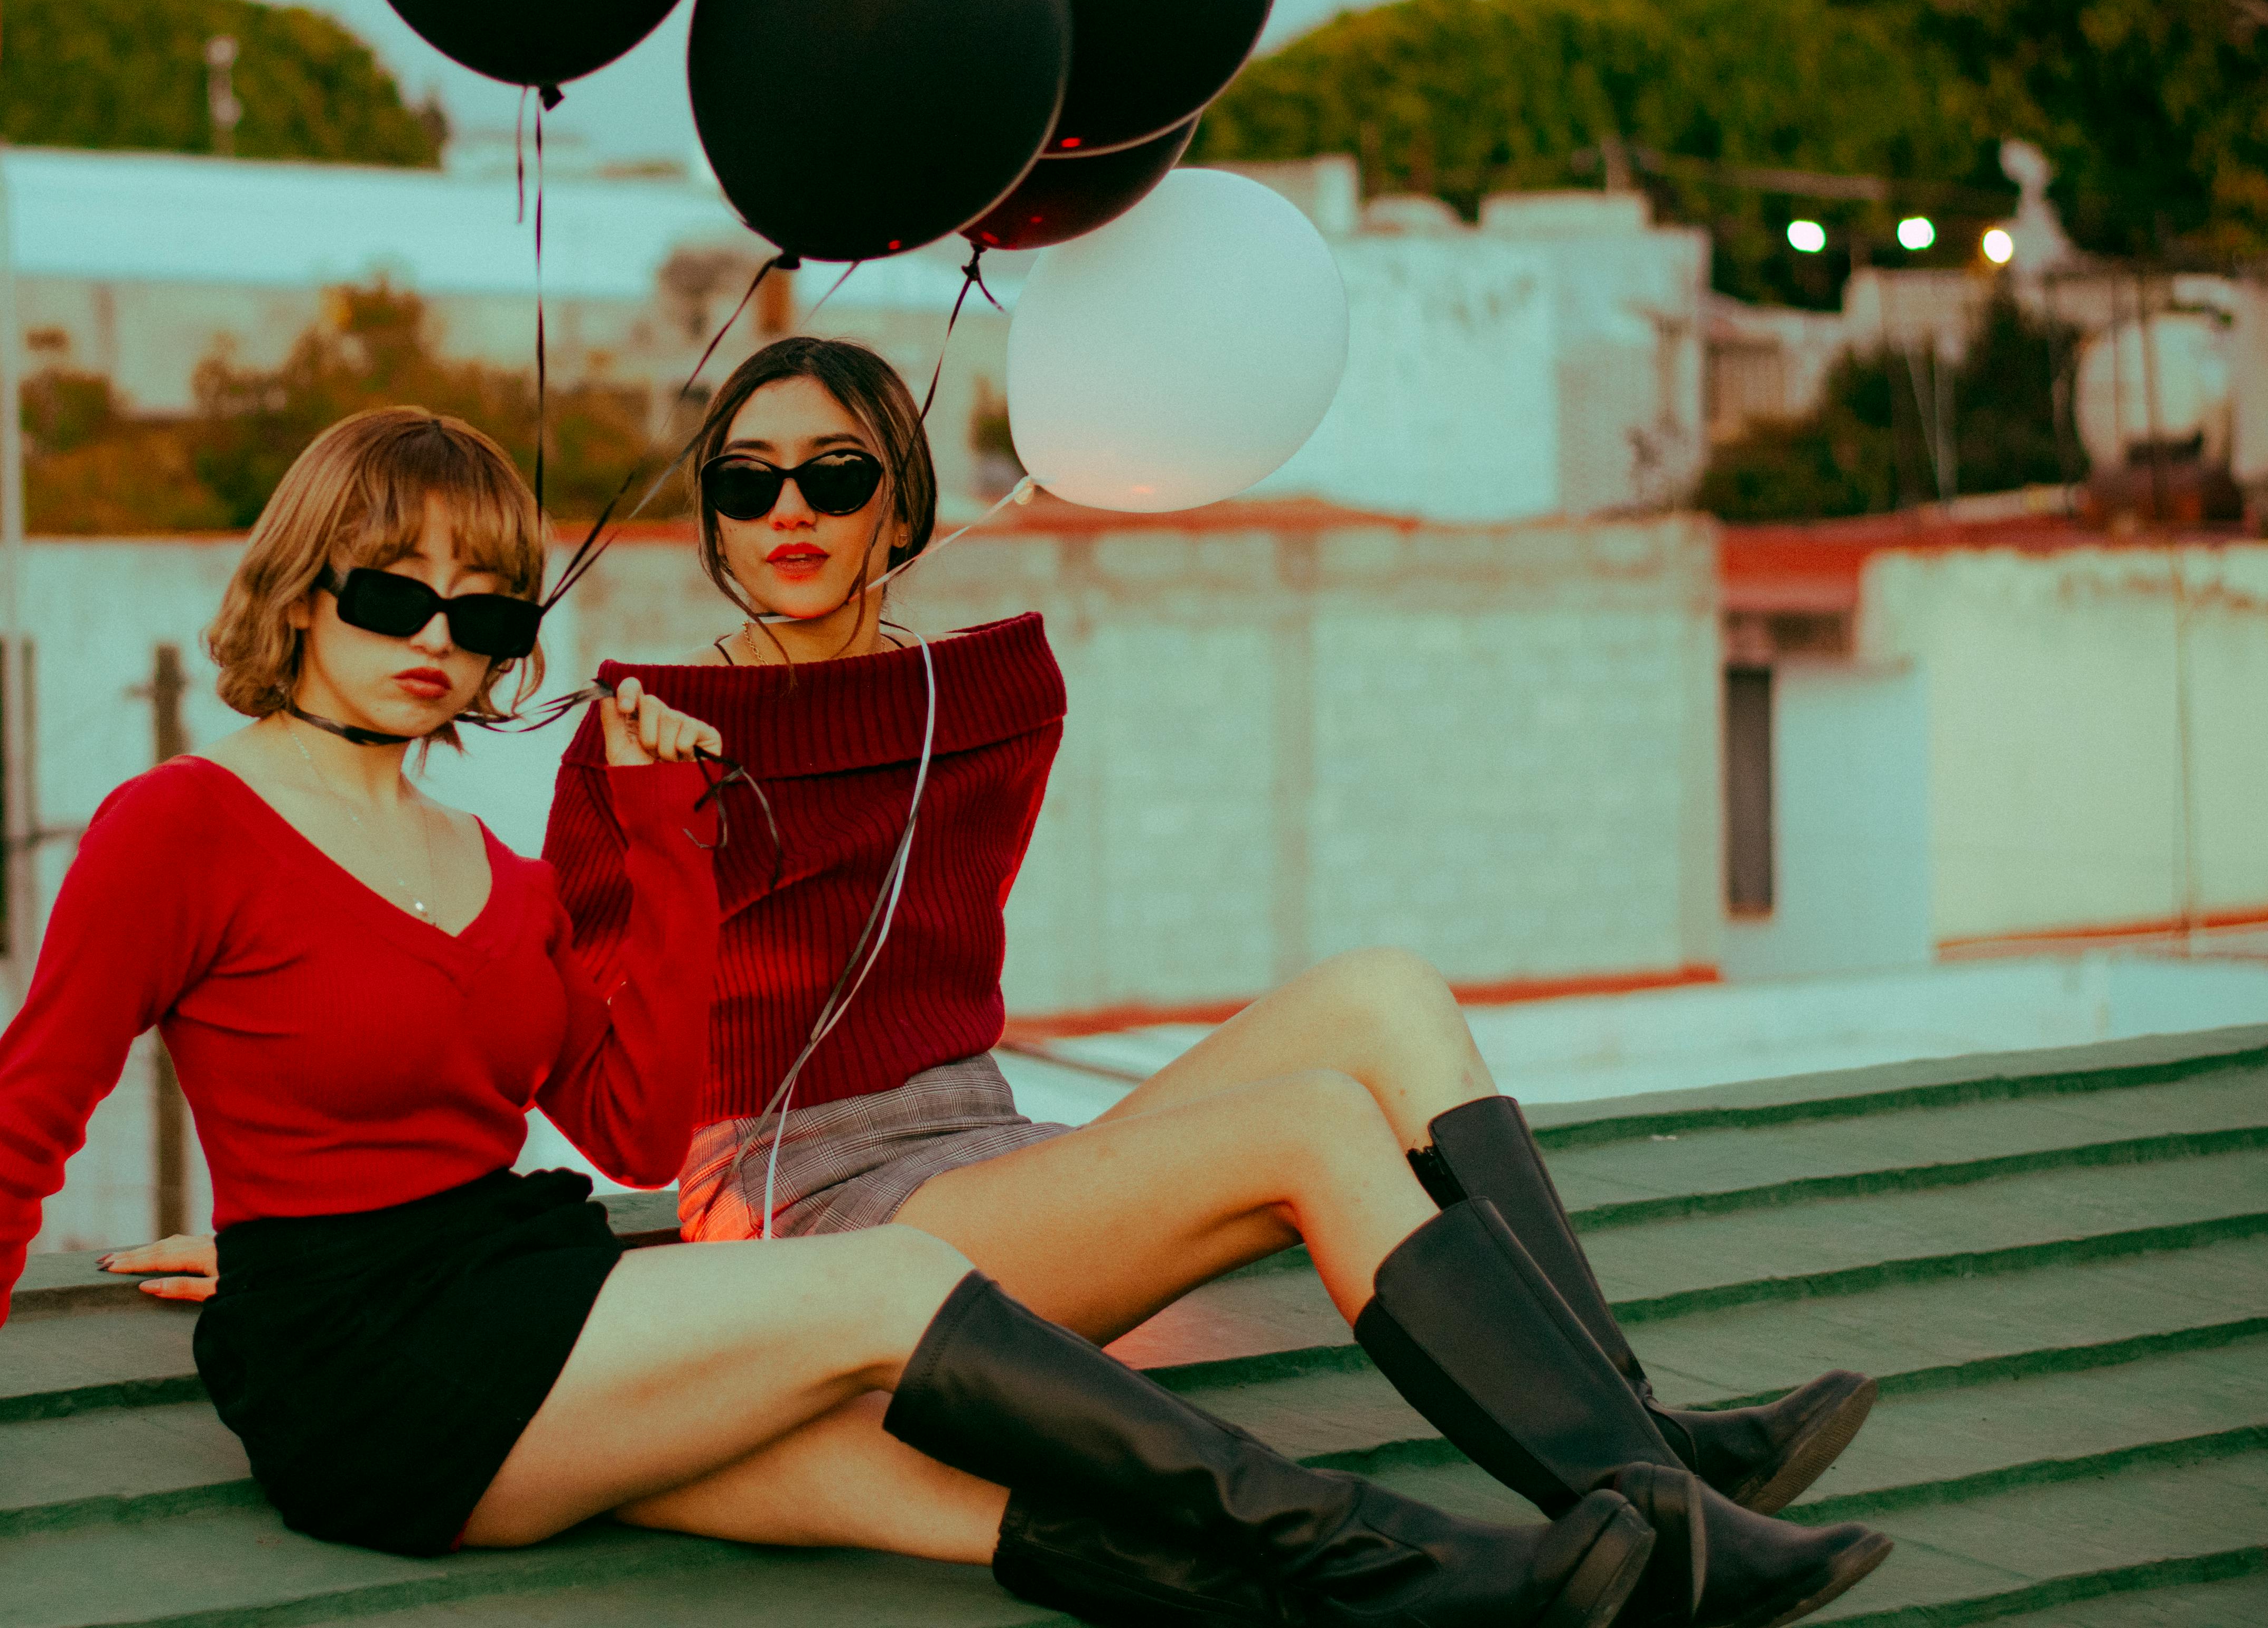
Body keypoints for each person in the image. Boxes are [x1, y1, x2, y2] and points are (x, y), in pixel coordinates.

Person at [0, 406, 1657, 1628]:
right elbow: (12, 1143)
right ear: (297, 595)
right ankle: (1408, 1550)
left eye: (486, 616)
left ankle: (1446, 1591)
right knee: (887, 1297)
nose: (435, 639)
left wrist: (676, 838)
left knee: (931, 1501)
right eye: (388, 594)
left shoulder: (494, 866)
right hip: (362, 1378)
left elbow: (619, 1130)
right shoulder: (178, 827)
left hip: (523, 1299)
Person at [525, 336, 1893, 1627]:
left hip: (990, 1161)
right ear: (710, 521)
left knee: (1384, 994)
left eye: (835, 473)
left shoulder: (974, 702)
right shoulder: (641, 746)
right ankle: (1652, 1503)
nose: (789, 511)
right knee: (1307, 1123)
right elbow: (623, 1078)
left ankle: (1641, 1436)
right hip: (819, 1231)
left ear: (901, 502)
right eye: (746, 482)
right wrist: (671, 817)